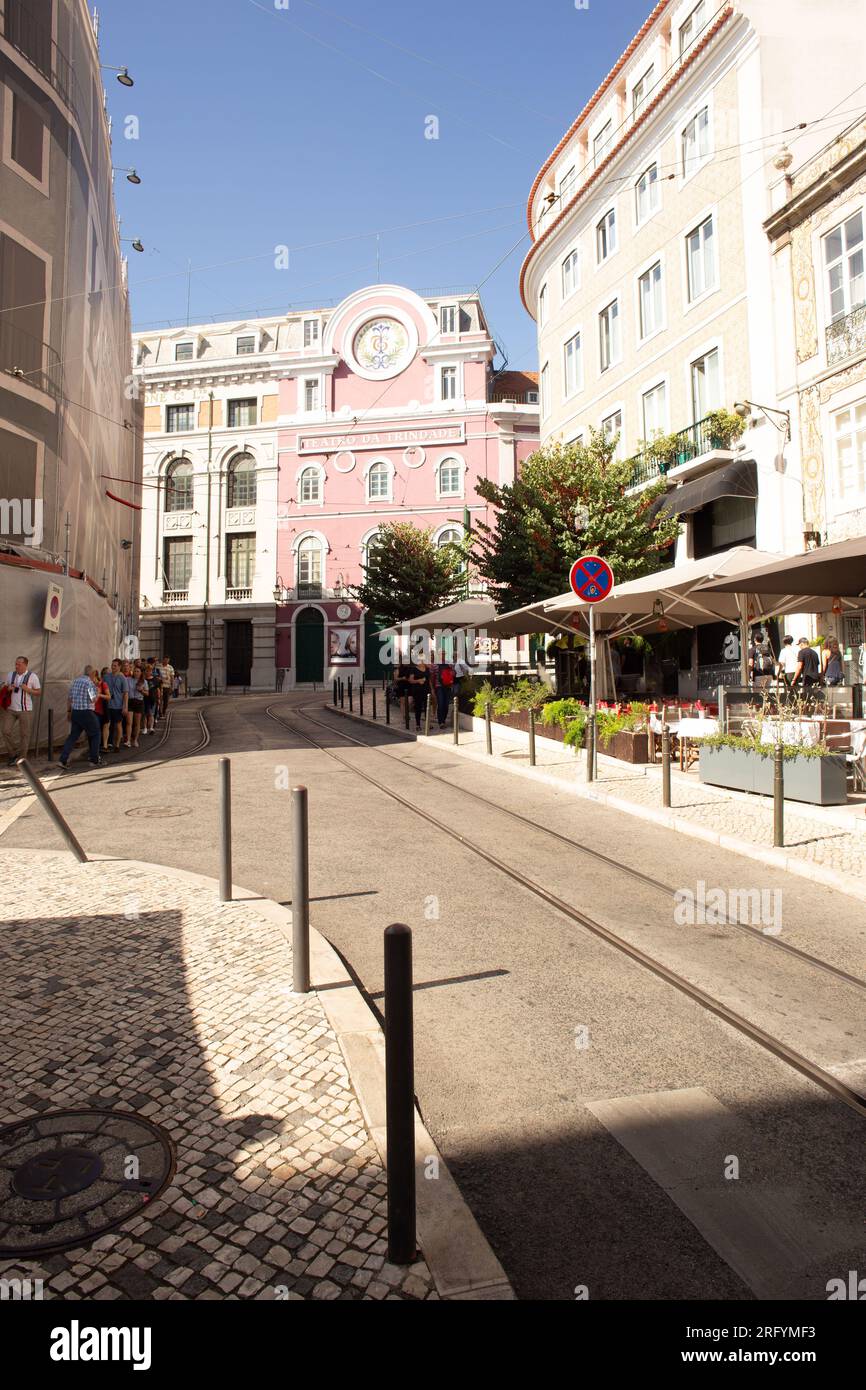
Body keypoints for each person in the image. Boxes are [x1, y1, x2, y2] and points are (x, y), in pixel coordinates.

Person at [58, 666, 103, 771]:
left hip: (76, 712)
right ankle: (94, 760)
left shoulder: (75, 681)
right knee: (96, 733)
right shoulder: (89, 683)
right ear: (91, 674)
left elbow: (69, 698)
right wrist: (98, 692)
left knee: (73, 736)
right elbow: (93, 700)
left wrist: (69, 711)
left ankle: (62, 760)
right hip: (86, 712)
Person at [1, 656, 41, 765]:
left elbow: (38, 692)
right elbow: (4, 687)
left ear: (25, 665)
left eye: (19, 664)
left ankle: (22, 759)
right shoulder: (11, 674)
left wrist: (27, 689)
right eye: (16, 664)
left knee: (24, 734)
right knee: (5, 731)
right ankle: (13, 755)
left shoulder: (32, 676)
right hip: (11, 709)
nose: (16, 666)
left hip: (25, 709)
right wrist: (8, 688)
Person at [103, 658, 127, 752]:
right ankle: (105, 745)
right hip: (107, 705)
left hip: (118, 705)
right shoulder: (106, 677)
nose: (113, 667)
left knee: (118, 725)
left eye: (115, 665)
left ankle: (117, 745)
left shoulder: (122, 678)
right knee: (106, 724)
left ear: (119, 667)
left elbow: (125, 693)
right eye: (112, 665)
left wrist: (125, 707)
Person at [406, 660, 433, 731]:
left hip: (427, 690)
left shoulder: (427, 669)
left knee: (427, 707)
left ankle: (428, 723)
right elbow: (410, 680)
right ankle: (418, 724)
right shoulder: (414, 669)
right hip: (417, 691)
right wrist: (419, 680)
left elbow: (429, 680)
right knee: (418, 708)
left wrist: (432, 690)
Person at [432, 656, 457, 729]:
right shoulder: (435, 665)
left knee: (446, 705)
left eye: (443, 653)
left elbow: (454, 673)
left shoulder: (449, 664)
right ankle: (441, 722)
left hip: (448, 686)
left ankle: (444, 720)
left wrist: (453, 673)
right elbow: (432, 676)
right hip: (439, 687)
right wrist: (432, 688)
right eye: (440, 654)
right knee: (441, 704)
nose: (442, 655)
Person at [94, 666, 112, 751]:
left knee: (105, 726)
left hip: (104, 707)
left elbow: (109, 696)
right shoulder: (91, 684)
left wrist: (99, 694)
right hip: (94, 710)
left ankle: (105, 745)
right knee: (96, 728)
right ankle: (96, 747)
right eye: (105, 673)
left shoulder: (103, 684)